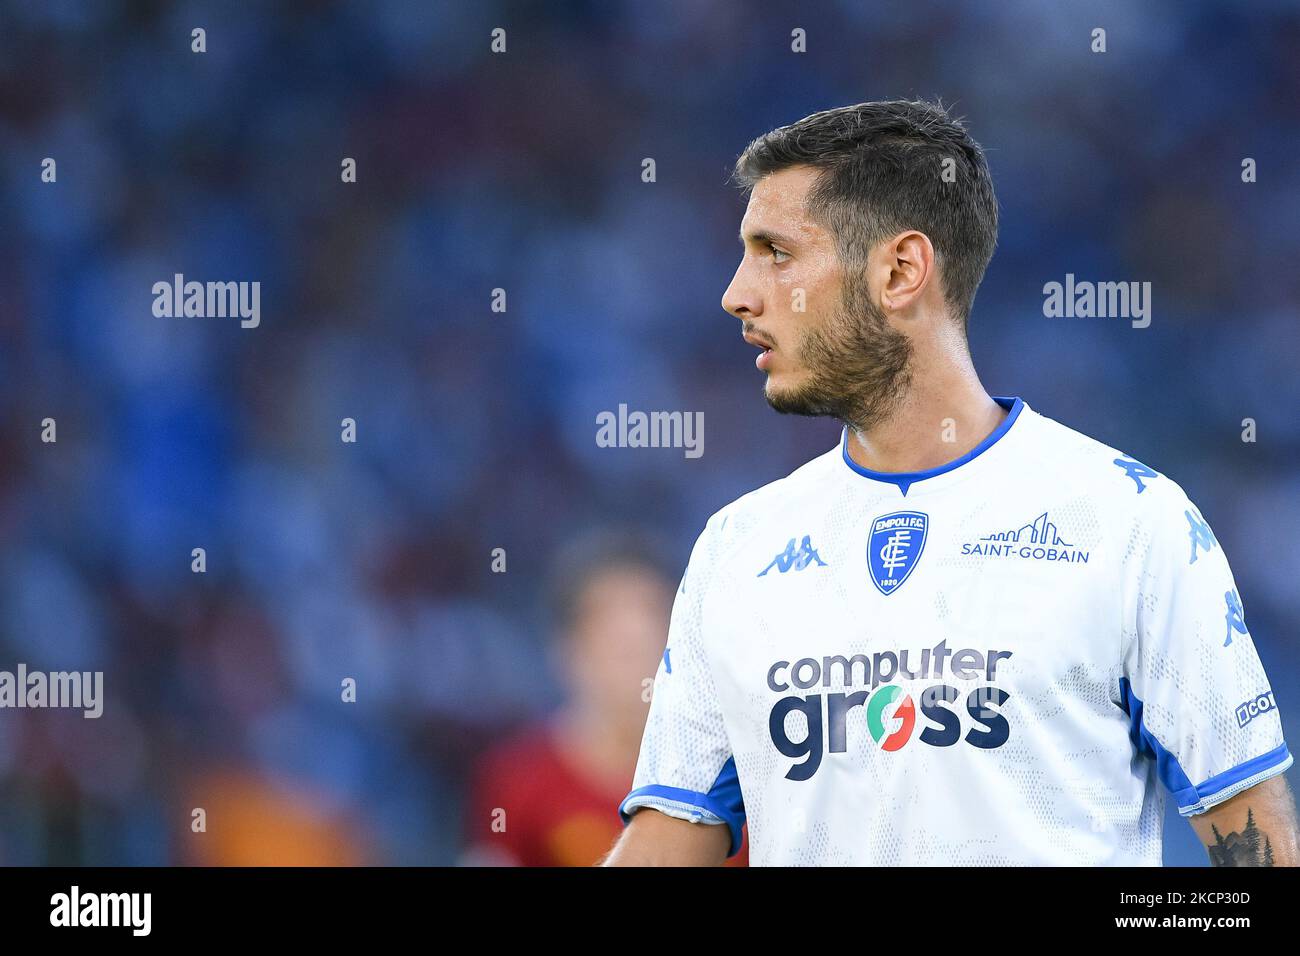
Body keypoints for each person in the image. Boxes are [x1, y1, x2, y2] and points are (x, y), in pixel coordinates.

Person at [603, 100, 1296, 866]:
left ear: (901, 271)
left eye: (775, 252)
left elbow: (1253, 850)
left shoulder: (1130, 522)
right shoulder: (736, 549)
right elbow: (672, 837)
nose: (737, 293)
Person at [463, 529, 748, 865]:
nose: (632, 639)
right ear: (567, 649)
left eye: (649, 616)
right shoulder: (516, 782)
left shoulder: (734, 775)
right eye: (607, 625)